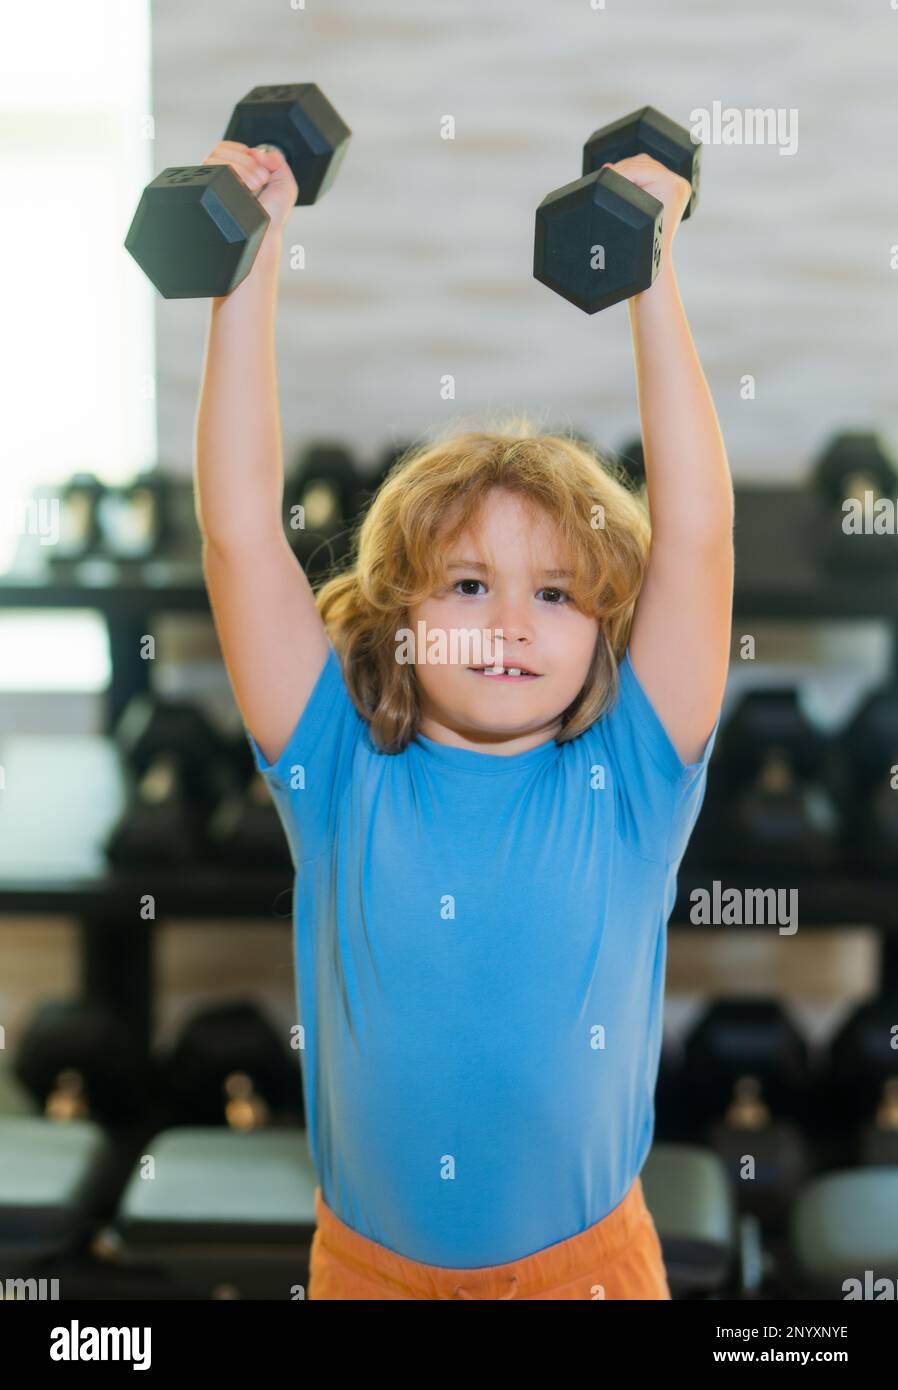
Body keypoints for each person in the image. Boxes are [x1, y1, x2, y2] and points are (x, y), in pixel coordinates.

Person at [195, 139, 734, 1299]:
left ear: (603, 627)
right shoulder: (336, 770)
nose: (510, 625)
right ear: (398, 617)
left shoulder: (630, 780)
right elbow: (241, 531)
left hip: (584, 1275)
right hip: (367, 1274)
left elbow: (694, 537)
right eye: (466, 584)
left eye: (553, 594)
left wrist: (651, 273)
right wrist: (249, 265)